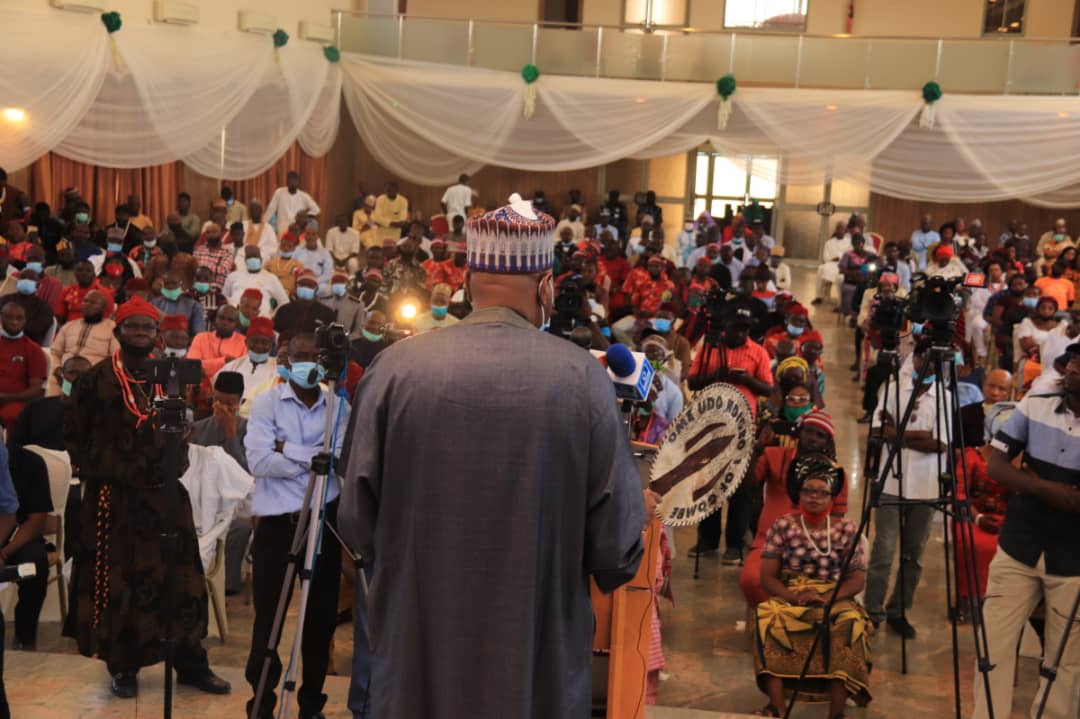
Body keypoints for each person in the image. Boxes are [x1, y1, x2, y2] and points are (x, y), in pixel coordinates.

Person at [338, 194, 647, 719]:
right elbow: (615, 550)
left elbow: (354, 522)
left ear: (465, 282)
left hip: (419, 657)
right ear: (546, 285)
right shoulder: (583, 380)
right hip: (533, 667)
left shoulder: (393, 370)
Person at [64, 296, 230, 699]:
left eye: (148, 328)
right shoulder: (95, 379)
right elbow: (74, 435)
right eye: (133, 326)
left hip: (165, 496)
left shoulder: (170, 376)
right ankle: (123, 666)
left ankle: (190, 663)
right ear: (119, 331)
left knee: (182, 580)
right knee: (119, 584)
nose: (141, 333)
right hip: (114, 499)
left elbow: (189, 423)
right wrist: (110, 469)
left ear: (158, 335)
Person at [974, 343, 1080, 719]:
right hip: (1018, 547)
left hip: (1071, 560)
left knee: (1065, 661)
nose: (1074, 370)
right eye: (1072, 362)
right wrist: (1046, 488)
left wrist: (1032, 479)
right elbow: (996, 466)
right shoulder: (1035, 404)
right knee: (994, 648)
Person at [244, 333, 345, 719]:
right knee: (268, 616)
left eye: (312, 356)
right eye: (296, 356)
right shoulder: (267, 402)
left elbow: (336, 460)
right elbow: (259, 462)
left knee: (320, 619)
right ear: (283, 360)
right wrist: (313, 460)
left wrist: (287, 449)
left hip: (323, 521)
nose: (305, 363)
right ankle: (261, 703)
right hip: (277, 525)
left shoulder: (338, 407)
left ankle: (311, 703)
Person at [751, 454, 870, 719]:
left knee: (850, 622)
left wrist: (827, 597)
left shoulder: (846, 529)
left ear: (831, 497)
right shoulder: (783, 526)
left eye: (822, 492)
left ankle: (836, 712)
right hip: (791, 594)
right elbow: (768, 577)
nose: (814, 497)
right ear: (798, 494)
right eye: (808, 491)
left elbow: (856, 578)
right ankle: (776, 706)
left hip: (833, 596)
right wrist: (793, 596)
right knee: (765, 617)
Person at [865, 339, 952, 638]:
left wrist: (896, 434)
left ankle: (898, 610)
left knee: (913, 555)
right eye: (922, 356)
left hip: (926, 486)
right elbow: (877, 430)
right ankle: (871, 610)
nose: (928, 363)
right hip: (891, 480)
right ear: (913, 358)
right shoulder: (892, 389)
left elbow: (939, 443)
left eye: (935, 359)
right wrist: (918, 436)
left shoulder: (945, 397)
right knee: (884, 550)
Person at [687, 304, 773, 563]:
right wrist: (716, 375)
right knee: (709, 485)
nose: (740, 333)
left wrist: (746, 379)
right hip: (711, 426)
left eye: (745, 329)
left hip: (742, 428)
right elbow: (692, 382)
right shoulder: (711, 348)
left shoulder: (758, 352)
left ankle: (735, 544)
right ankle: (707, 540)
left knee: (739, 488)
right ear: (727, 327)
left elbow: (767, 389)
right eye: (736, 328)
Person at [189, 370, 251, 596]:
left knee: (240, 528)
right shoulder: (198, 428)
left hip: (235, 502)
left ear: (240, 402)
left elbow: (246, 474)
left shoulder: (250, 429)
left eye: (229, 403)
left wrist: (231, 434)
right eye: (217, 401)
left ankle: (227, 586)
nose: (222, 408)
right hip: (201, 498)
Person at [0, 444, 54, 650]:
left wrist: (5, 551)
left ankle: (25, 636)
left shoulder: (30, 463)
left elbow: (36, 519)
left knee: (34, 564)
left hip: (18, 536)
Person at [48, 290, 117, 394]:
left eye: (94, 303)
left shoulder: (112, 328)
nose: (88, 305)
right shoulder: (69, 326)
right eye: (85, 301)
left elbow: (115, 358)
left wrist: (94, 374)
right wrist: (57, 369)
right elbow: (54, 352)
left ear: (103, 308)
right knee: (54, 401)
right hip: (63, 377)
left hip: (92, 379)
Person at [217, 317, 278, 417]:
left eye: (265, 342)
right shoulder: (232, 367)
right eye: (254, 341)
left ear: (271, 345)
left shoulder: (278, 369)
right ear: (246, 342)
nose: (259, 346)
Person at [0, 302, 47, 428]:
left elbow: (35, 390)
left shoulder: (33, 349)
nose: (14, 322)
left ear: (25, 321)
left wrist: (5, 397)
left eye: (19, 318)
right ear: (1, 318)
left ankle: (9, 448)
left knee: (13, 417)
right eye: (9, 317)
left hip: (14, 401)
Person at [223, 245, 289, 315]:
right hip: (235, 319)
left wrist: (273, 316)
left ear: (261, 259)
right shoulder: (233, 276)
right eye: (249, 258)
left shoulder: (271, 278)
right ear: (245, 260)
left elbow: (284, 301)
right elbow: (225, 297)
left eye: (255, 257)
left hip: (261, 319)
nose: (253, 260)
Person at [189, 304, 247, 378]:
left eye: (230, 320)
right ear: (215, 319)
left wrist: (204, 366)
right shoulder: (201, 338)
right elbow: (191, 367)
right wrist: (223, 361)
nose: (225, 323)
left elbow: (240, 373)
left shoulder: (244, 342)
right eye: (221, 318)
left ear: (236, 324)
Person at [0, 269, 55, 346]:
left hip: (28, 345)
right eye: (23, 277)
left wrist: (11, 326)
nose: (26, 280)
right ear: (17, 283)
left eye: (31, 278)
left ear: (38, 285)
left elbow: (37, 330)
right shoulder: (4, 300)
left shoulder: (44, 307)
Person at [151, 270, 206, 336]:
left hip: (184, 343)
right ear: (162, 285)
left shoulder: (194, 306)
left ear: (181, 285)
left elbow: (199, 334)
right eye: (167, 283)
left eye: (174, 283)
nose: (170, 287)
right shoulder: (153, 304)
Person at [320, 271, 366, 338]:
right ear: (331, 284)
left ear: (347, 284)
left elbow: (358, 331)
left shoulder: (357, 304)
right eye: (335, 281)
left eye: (341, 281)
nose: (338, 284)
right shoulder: (323, 301)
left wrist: (346, 340)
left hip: (345, 342)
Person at [193, 223, 235, 291]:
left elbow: (223, 270)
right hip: (197, 287)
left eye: (214, 232)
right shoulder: (199, 250)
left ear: (221, 234)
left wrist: (201, 268)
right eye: (208, 232)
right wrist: (212, 268)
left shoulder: (228, 251)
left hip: (217, 289)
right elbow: (194, 268)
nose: (211, 235)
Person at [371, 181, 410, 246]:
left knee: (392, 253)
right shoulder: (380, 199)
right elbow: (377, 218)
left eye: (390, 191)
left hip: (394, 235)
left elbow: (402, 221)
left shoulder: (403, 201)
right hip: (380, 234)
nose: (388, 193)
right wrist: (393, 223)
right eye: (387, 191)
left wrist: (383, 222)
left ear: (396, 190)